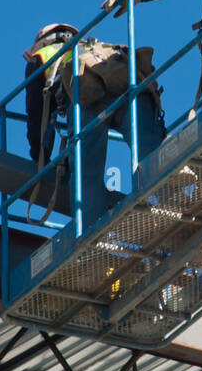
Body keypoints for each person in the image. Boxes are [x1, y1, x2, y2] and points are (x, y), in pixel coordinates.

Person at [23, 23, 164, 227]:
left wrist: (39, 155)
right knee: (149, 147)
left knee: (86, 170)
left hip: (86, 95)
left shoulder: (42, 55)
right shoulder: (97, 46)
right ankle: (174, 194)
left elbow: (37, 111)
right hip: (131, 85)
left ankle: (91, 234)